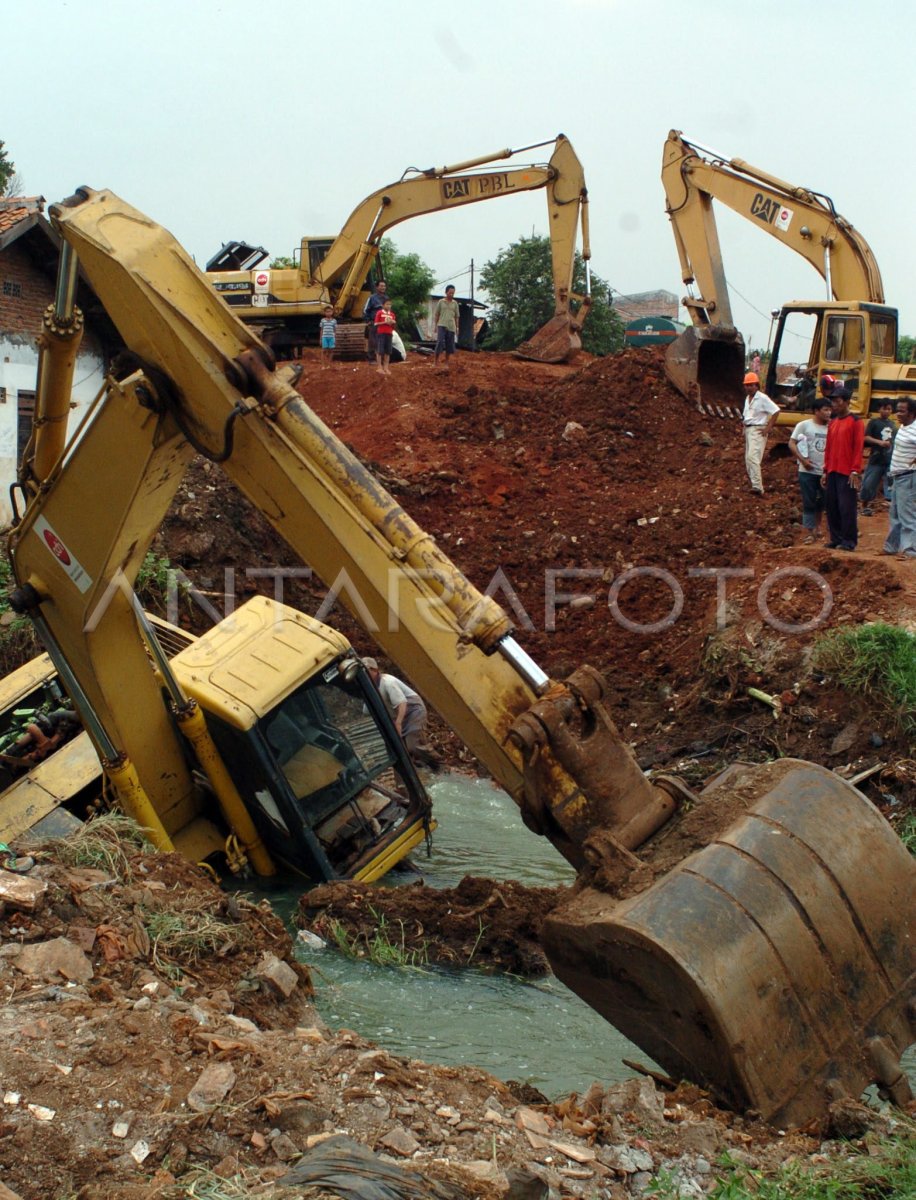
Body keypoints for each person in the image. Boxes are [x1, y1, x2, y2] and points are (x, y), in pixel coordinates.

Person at [362, 657, 437, 766]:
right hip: (397, 716)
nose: (365, 674)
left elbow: (402, 703)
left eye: (367, 670)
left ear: (375, 670)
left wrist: (398, 723)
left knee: (413, 745)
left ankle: (439, 766)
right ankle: (409, 775)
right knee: (397, 751)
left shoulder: (387, 682)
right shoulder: (370, 688)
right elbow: (366, 711)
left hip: (413, 711)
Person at [822, 385, 864, 550]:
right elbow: (829, 448)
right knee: (831, 506)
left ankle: (849, 541)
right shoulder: (832, 423)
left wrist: (855, 470)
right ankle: (836, 538)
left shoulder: (856, 422)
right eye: (832, 401)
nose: (834, 404)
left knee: (846, 507)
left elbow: (858, 447)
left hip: (847, 471)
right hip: (832, 469)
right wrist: (825, 470)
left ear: (846, 402)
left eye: (837, 401)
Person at [789, 399, 832, 543]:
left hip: (824, 471)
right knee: (809, 501)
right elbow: (792, 443)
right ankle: (809, 531)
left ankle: (818, 528)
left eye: (829, 410)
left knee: (822, 501)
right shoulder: (804, 425)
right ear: (816, 411)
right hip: (807, 471)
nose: (828, 413)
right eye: (825, 410)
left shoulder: (831, 428)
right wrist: (802, 460)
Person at [883, 397, 916, 560]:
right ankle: (891, 547)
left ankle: (911, 550)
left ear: (912, 413)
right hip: (897, 476)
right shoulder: (903, 427)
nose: (898, 413)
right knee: (895, 513)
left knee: (907, 514)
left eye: (902, 411)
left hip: (908, 476)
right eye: (898, 410)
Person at [741, 371, 780, 495]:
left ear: (756, 385)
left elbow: (776, 411)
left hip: (758, 429)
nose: (749, 387)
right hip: (749, 429)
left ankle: (758, 486)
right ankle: (754, 484)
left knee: (753, 457)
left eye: (751, 385)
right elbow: (746, 415)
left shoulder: (762, 398)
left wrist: (769, 427)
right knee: (748, 458)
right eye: (747, 385)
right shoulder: (747, 399)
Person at [859, 401, 895, 516]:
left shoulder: (893, 424)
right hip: (876, 458)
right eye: (884, 408)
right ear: (879, 409)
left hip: (889, 460)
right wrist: (879, 442)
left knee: (891, 485)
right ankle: (864, 506)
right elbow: (866, 437)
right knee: (869, 483)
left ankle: (892, 508)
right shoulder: (874, 422)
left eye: (889, 409)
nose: (887, 411)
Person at [433, 284, 459, 370]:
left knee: (449, 345)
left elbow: (457, 316)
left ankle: (446, 362)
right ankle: (436, 361)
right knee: (440, 342)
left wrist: (457, 327)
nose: (451, 295)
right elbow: (437, 314)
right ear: (446, 292)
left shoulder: (455, 304)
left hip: (451, 326)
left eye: (453, 293)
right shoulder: (441, 302)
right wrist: (435, 326)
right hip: (441, 324)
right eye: (450, 293)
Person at [363, 280, 388, 363]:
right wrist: (368, 320)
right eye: (381, 286)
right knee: (373, 341)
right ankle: (371, 359)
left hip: (385, 323)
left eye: (384, 286)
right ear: (377, 287)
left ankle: (381, 359)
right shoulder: (372, 298)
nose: (383, 288)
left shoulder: (387, 298)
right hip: (374, 323)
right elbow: (365, 310)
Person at [373, 299, 396, 376]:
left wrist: (393, 323)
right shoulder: (379, 313)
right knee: (380, 350)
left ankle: (386, 367)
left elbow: (394, 326)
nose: (389, 306)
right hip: (381, 333)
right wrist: (385, 322)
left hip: (389, 333)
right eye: (387, 304)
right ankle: (379, 367)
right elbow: (376, 323)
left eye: (390, 304)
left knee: (388, 351)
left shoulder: (392, 314)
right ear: (383, 305)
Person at [318, 305, 337, 370]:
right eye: (327, 312)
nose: (328, 313)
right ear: (324, 313)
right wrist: (320, 338)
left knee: (331, 351)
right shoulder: (322, 320)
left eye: (329, 311)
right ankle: (323, 365)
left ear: (332, 312)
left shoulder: (334, 321)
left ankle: (329, 364)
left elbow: (335, 330)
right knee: (324, 351)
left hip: (331, 337)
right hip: (324, 337)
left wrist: (335, 338)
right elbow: (321, 330)